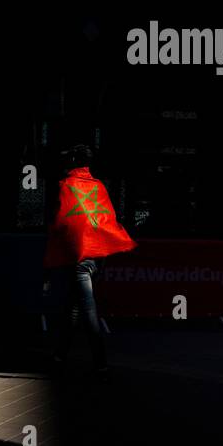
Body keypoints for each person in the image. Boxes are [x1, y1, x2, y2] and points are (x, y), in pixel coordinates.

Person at [45, 144, 135, 378]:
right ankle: (60, 356)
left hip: (80, 255)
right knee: (75, 307)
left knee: (86, 308)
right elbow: (107, 218)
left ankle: (100, 361)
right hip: (98, 253)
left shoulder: (66, 186)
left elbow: (61, 222)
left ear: (72, 161)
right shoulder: (99, 187)